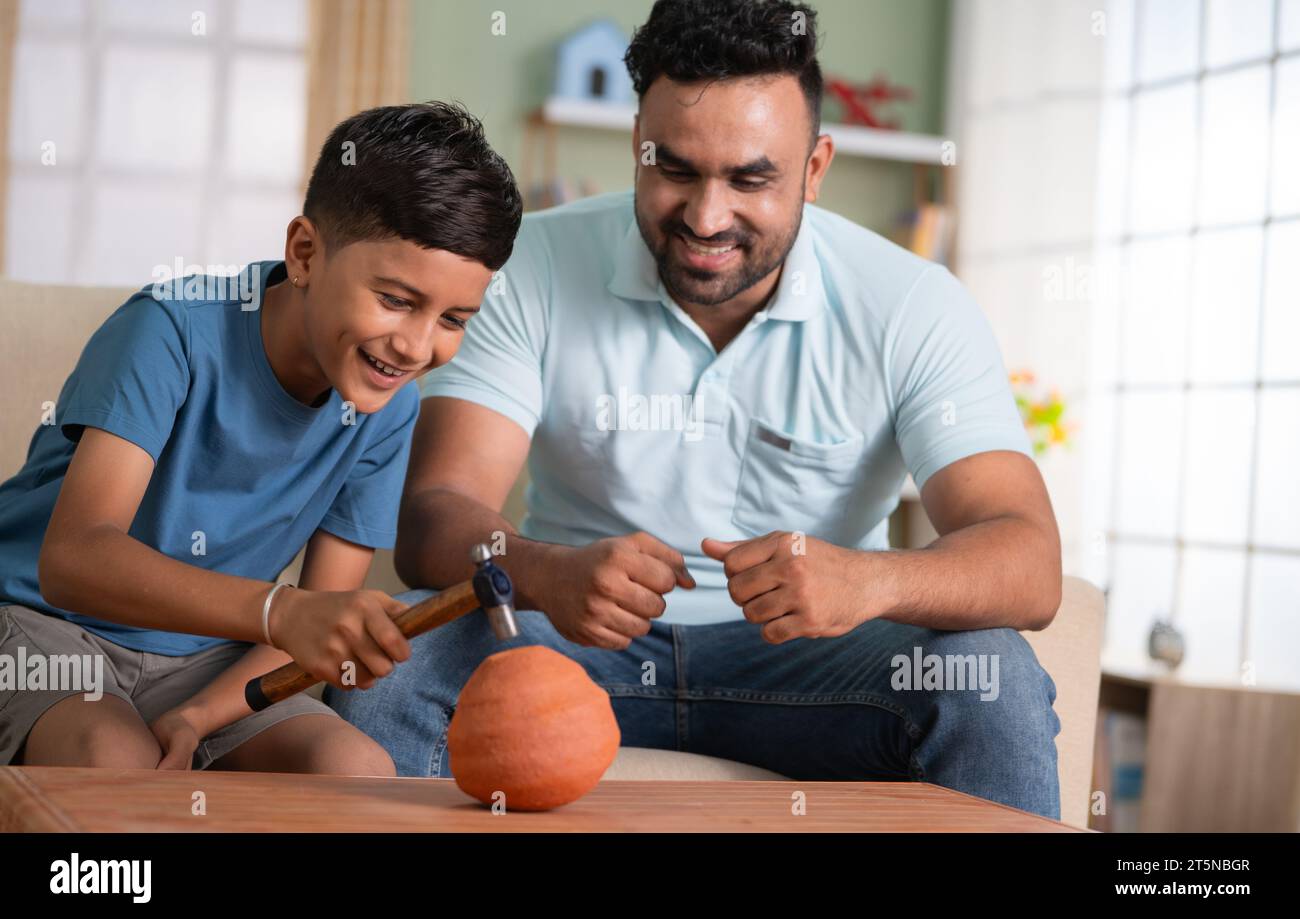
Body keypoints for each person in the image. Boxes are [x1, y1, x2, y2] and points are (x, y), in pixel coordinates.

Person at [331, 0, 1064, 818]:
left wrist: (868, 579)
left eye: (752, 178)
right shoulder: (530, 264)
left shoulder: (914, 304)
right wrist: (544, 569)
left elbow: (1029, 562)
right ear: (637, 147)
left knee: (988, 674)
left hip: (819, 662)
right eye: (676, 169)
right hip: (571, 647)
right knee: (393, 661)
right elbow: (432, 518)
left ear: (816, 168)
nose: (708, 217)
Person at [0, 102, 522, 774]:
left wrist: (201, 713)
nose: (417, 345)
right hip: (43, 626)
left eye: (453, 318)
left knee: (355, 770)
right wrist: (280, 610)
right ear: (304, 253)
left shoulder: (388, 410)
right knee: (114, 759)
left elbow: (318, 615)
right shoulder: (169, 333)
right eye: (394, 300)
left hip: (206, 658)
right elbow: (73, 558)